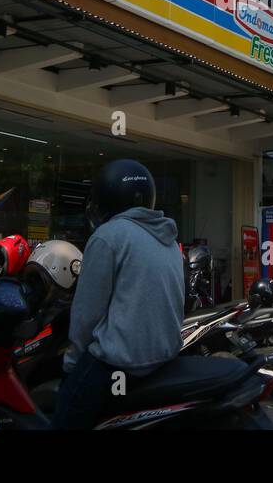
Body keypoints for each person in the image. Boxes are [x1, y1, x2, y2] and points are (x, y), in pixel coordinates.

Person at [54, 159, 185, 429]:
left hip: (116, 365)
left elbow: (87, 315)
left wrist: (71, 362)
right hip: (163, 361)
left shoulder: (109, 236)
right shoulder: (170, 241)